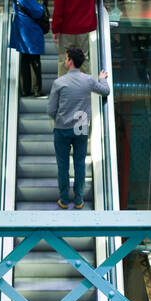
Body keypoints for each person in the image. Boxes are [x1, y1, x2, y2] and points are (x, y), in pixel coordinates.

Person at [47, 45, 110, 208]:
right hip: (81, 127)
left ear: (70, 62)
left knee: (63, 165)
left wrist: (60, 119)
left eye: (67, 58)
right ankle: (79, 200)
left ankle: (64, 199)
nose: (65, 60)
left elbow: (51, 110)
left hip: (62, 129)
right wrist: (102, 77)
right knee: (80, 163)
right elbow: (106, 91)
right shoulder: (88, 80)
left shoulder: (59, 82)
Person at [51, 0, 104, 79]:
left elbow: (57, 12)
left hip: (66, 31)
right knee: (84, 58)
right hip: (84, 30)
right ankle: (85, 87)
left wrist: (55, 30)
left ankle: (63, 86)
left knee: (64, 58)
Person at [8, 0, 46, 97]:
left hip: (20, 28)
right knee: (35, 60)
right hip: (30, 29)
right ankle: (37, 89)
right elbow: (36, 12)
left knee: (24, 60)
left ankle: (25, 89)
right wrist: (41, 7)